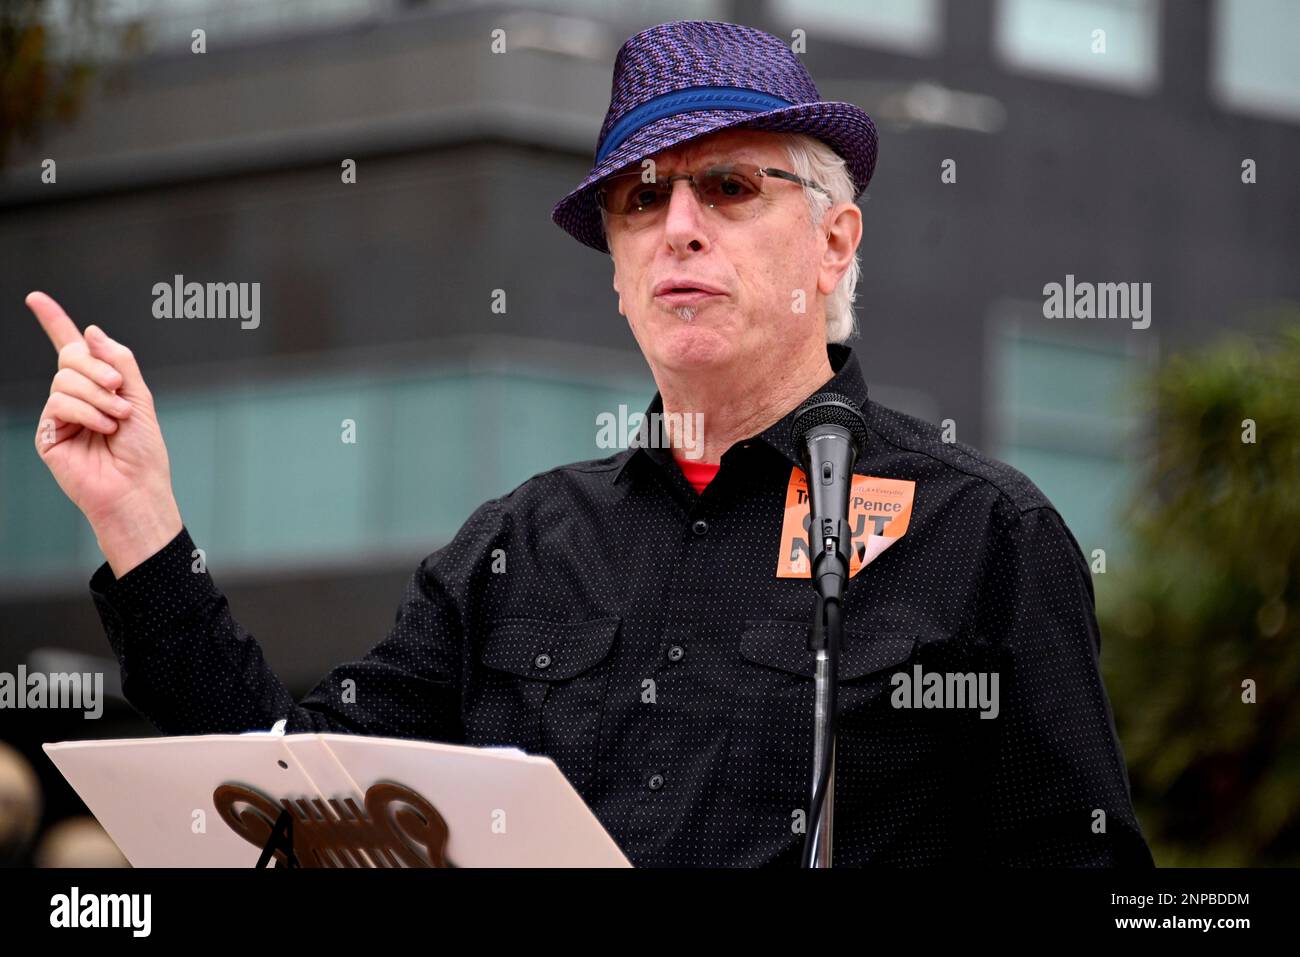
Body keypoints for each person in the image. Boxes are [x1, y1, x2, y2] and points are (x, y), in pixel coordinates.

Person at [26, 20, 1153, 867]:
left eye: (729, 186)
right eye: (641, 201)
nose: (678, 228)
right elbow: (286, 797)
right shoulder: (517, 547)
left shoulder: (983, 536)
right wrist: (138, 517)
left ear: (833, 242)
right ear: (616, 273)